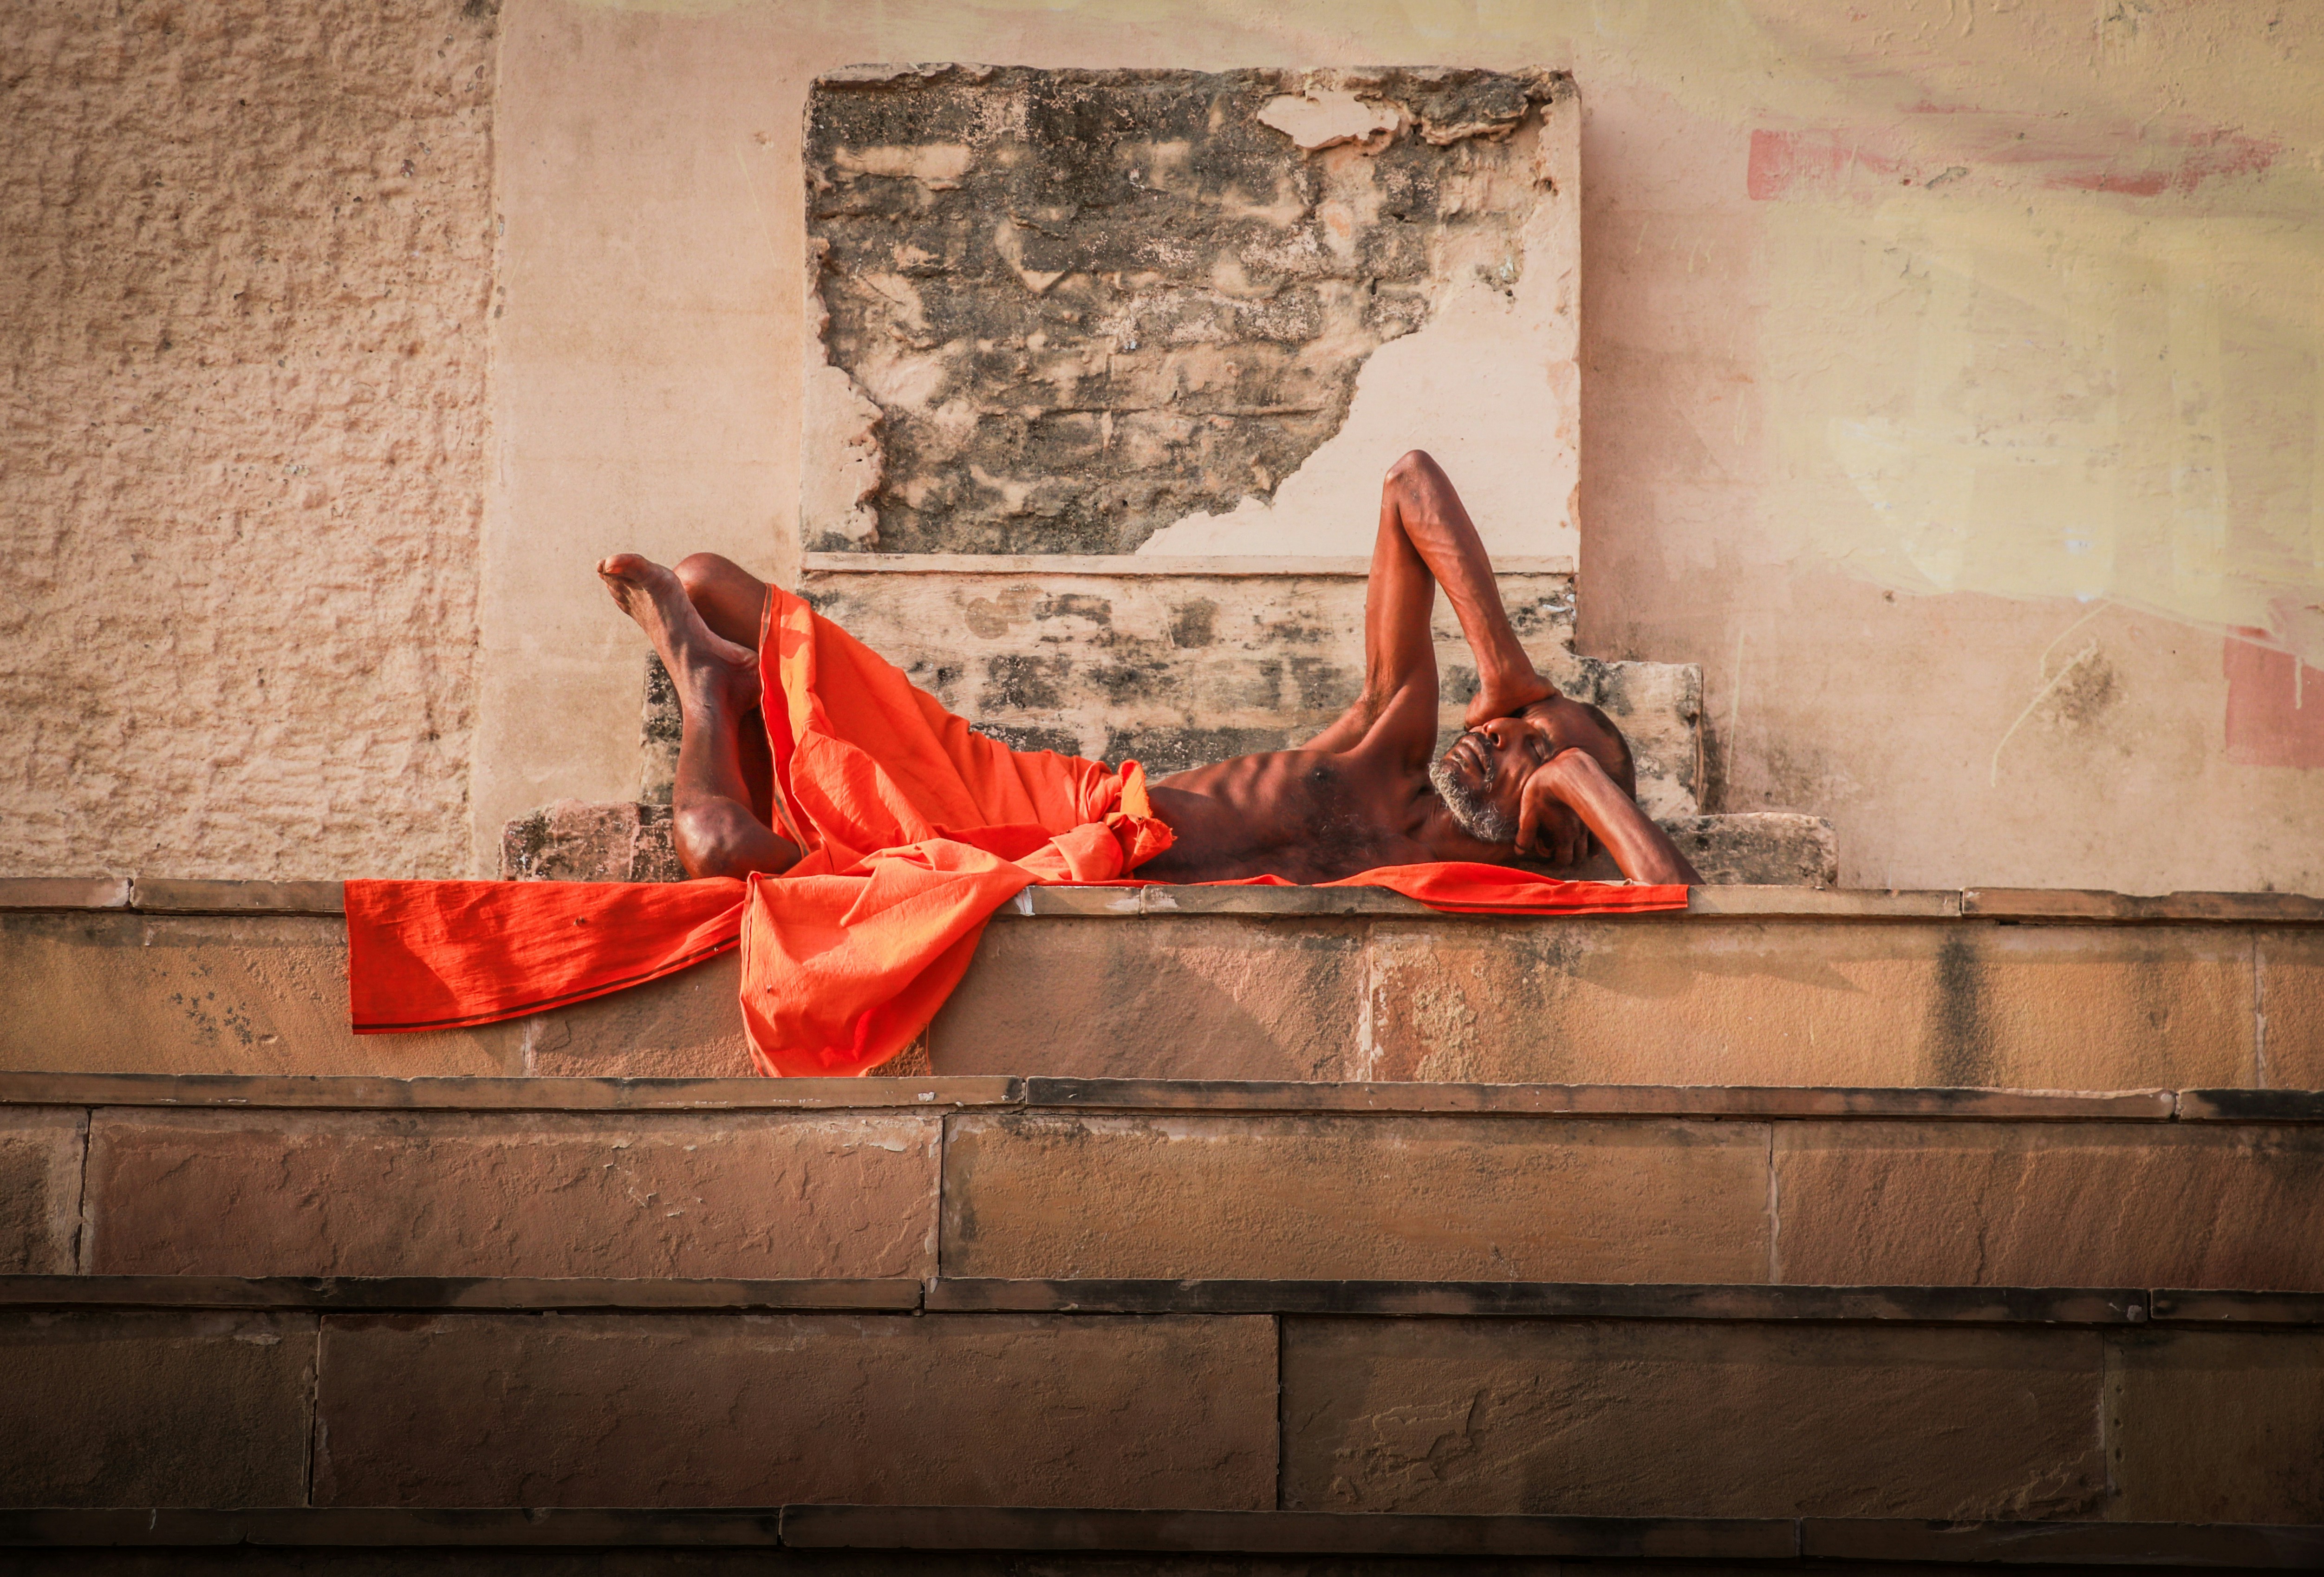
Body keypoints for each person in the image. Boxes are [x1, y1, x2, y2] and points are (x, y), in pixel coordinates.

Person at [596, 449, 1703, 889]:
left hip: (1045, 881)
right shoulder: (1388, 740)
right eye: (1513, 719)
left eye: (1532, 751)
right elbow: (1409, 482)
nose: (1500, 729)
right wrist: (1511, 672)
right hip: (1048, 802)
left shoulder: (1508, 884)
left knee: (719, 849)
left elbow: (1662, 900)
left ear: (1557, 829)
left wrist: (1576, 779)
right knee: (709, 581)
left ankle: (709, 690)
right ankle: (723, 674)